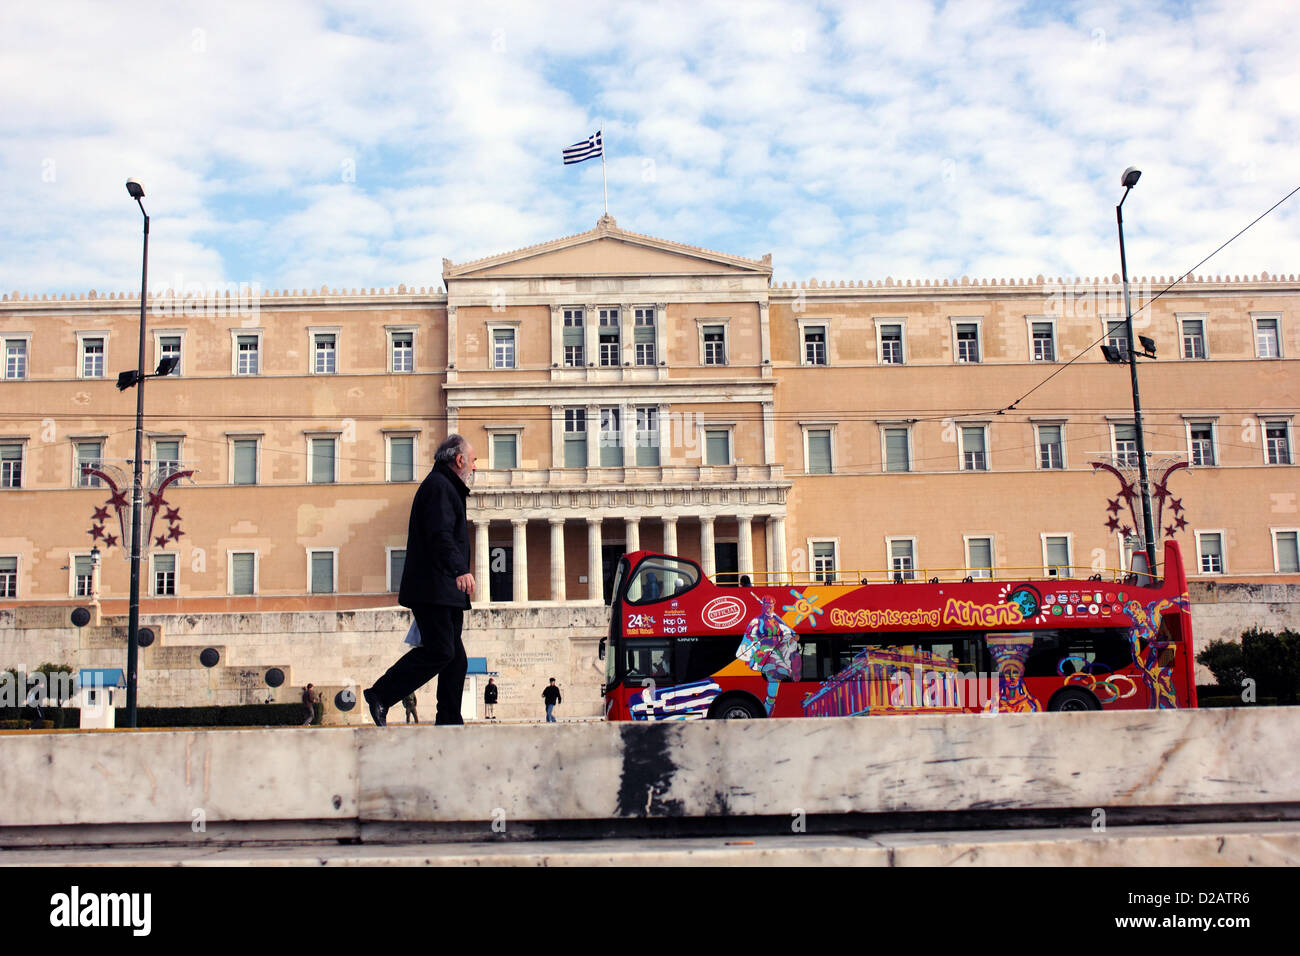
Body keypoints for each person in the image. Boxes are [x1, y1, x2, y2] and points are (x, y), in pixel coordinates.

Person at [364, 434, 476, 727]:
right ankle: (381, 694)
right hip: (434, 588)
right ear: (460, 460)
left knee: (456, 659)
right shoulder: (439, 488)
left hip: (443, 590)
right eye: (473, 461)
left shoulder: (446, 487)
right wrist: (459, 570)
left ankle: (449, 721)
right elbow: (439, 535)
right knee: (441, 650)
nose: (474, 468)